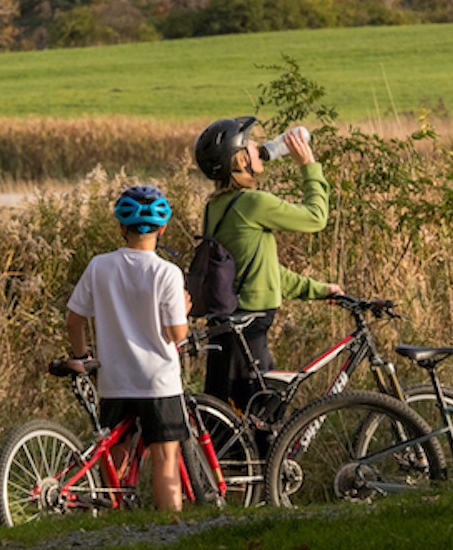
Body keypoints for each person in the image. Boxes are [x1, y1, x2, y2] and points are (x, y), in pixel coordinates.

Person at [191, 116, 342, 414]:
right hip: (250, 322)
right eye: (250, 142)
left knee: (228, 413)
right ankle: (261, 461)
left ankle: (231, 461)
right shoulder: (253, 203)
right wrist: (308, 164)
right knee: (260, 412)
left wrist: (318, 290)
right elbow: (316, 217)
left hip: (227, 320)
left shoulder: (215, 207)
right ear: (241, 159)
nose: (259, 146)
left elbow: (261, 269)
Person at [65, 184, 189, 512]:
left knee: (114, 453)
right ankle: (172, 529)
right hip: (158, 382)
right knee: (166, 459)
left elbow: (74, 320)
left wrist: (83, 357)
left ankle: (112, 518)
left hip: (114, 380)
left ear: (122, 227)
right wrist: (184, 311)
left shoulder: (99, 266)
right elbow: (177, 333)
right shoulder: (168, 273)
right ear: (162, 228)